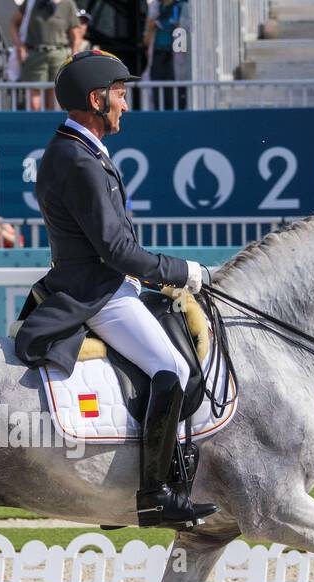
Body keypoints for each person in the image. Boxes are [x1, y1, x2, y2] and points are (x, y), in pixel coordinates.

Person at [12, 50, 217, 528]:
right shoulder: (78, 160)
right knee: (171, 368)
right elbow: (118, 250)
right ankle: (154, 493)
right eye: (121, 94)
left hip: (106, 282)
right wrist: (182, 270)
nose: (126, 103)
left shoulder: (77, 148)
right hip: (99, 291)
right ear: (96, 99)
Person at [11, 0, 77, 111]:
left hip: (59, 54)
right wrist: (19, 45)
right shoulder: (31, 2)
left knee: (54, 100)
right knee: (34, 102)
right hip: (35, 53)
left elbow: (75, 34)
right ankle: (35, 125)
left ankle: (50, 127)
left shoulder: (68, 4)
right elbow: (13, 23)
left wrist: (73, 57)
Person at [145, 0, 187, 110]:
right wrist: (150, 27)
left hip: (174, 57)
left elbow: (182, 32)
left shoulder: (181, 7)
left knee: (172, 90)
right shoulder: (156, 7)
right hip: (158, 54)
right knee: (157, 89)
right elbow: (146, 40)